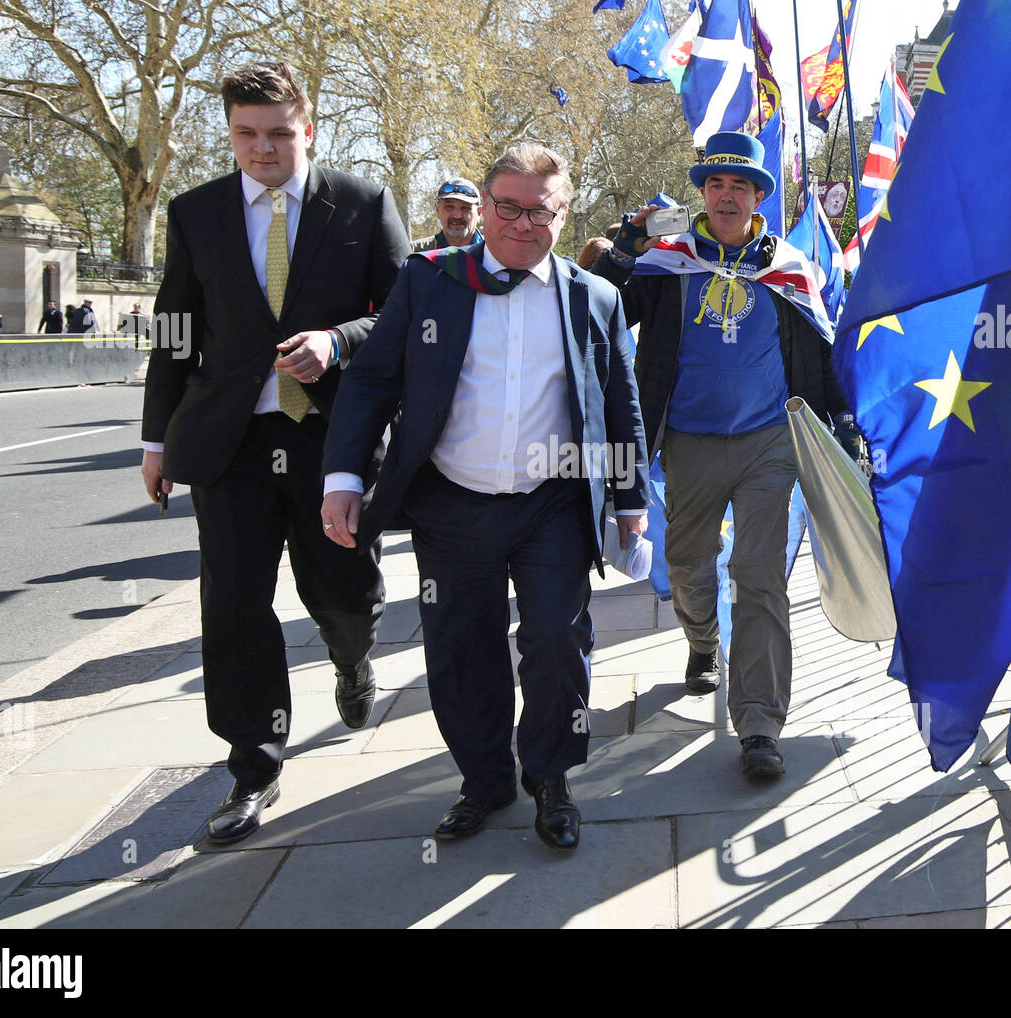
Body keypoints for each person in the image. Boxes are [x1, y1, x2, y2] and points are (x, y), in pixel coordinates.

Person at [321, 143, 650, 851]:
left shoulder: (594, 295)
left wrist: (631, 500)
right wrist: (344, 478)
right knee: (460, 648)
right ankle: (485, 780)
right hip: (452, 505)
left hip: (552, 503)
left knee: (558, 640)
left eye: (542, 210)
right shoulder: (430, 281)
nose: (523, 222)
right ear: (486, 206)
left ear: (564, 215)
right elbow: (372, 381)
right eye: (509, 206)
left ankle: (552, 778)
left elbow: (620, 403)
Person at [140, 59, 410, 845]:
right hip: (230, 445)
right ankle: (252, 767)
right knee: (232, 608)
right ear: (229, 132)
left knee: (343, 594)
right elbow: (174, 333)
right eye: (246, 134)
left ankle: (352, 658)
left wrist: (337, 341)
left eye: (279, 134)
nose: (262, 149)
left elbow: (401, 314)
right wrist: (157, 440)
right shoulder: (195, 213)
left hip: (332, 441)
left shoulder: (361, 203)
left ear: (309, 130)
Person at [594, 131, 859, 780]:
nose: (726, 193)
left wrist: (845, 428)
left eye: (740, 184)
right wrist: (624, 246)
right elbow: (597, 305)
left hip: (770, 442)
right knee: (688, 564)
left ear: (758, 197)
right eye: (715, 183)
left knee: (759, 573)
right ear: (702, 194)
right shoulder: (665, 263)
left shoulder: (789, 268)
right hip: (687, 443)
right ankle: (702, 641)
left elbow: (820, 354)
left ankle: (761, 725)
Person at [413, 177, 483, 251]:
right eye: (449, 207)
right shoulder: (414, 253)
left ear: (479, 213)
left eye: (465, 208)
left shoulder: (493, 252)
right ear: (437, 210)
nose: (457, 216)